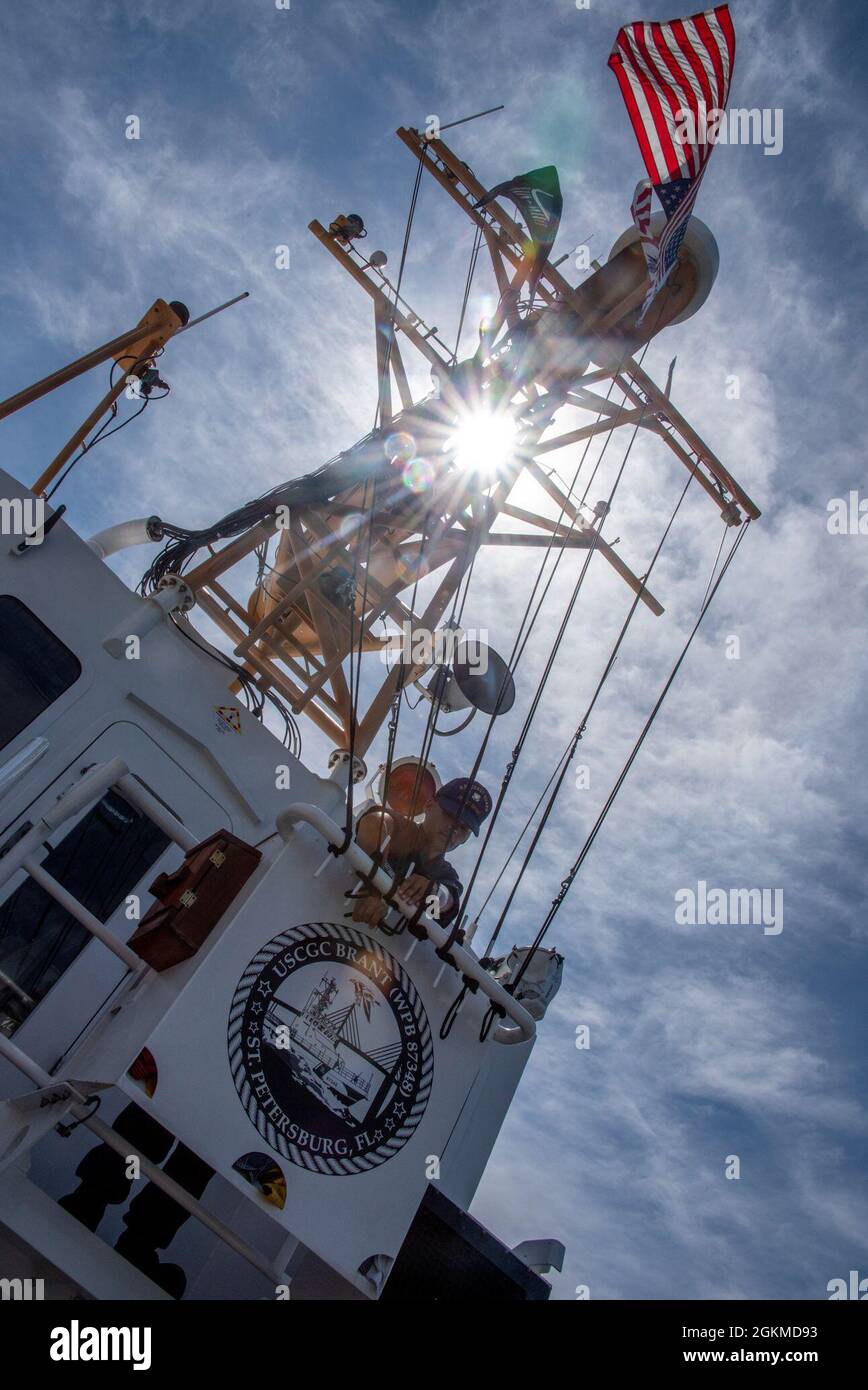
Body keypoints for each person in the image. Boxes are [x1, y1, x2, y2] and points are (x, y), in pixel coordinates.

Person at [351, 777, 492, 931]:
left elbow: (447, 902)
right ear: (429, 804)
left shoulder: (446, 875)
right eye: (450, 815)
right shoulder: (400, 828)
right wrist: (371, 890)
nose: (455, 829)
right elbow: (375, 823)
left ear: (466, 838)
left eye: (464, 827)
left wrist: (434, 890)